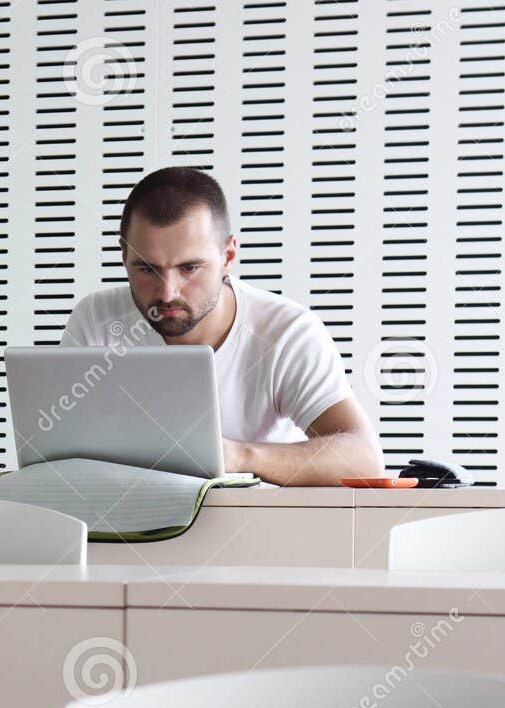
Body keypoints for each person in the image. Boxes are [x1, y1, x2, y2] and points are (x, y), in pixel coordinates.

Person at [61, 166, 384, 486]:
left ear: (228, 256)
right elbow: (58, 452)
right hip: (126, 514)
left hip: (254, 517)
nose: (167, 292)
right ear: (124, 257)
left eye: (189, 268)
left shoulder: (286, 331)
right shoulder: (95, 318)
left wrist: (238, 457)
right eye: (147, 269)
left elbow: (364, 459)